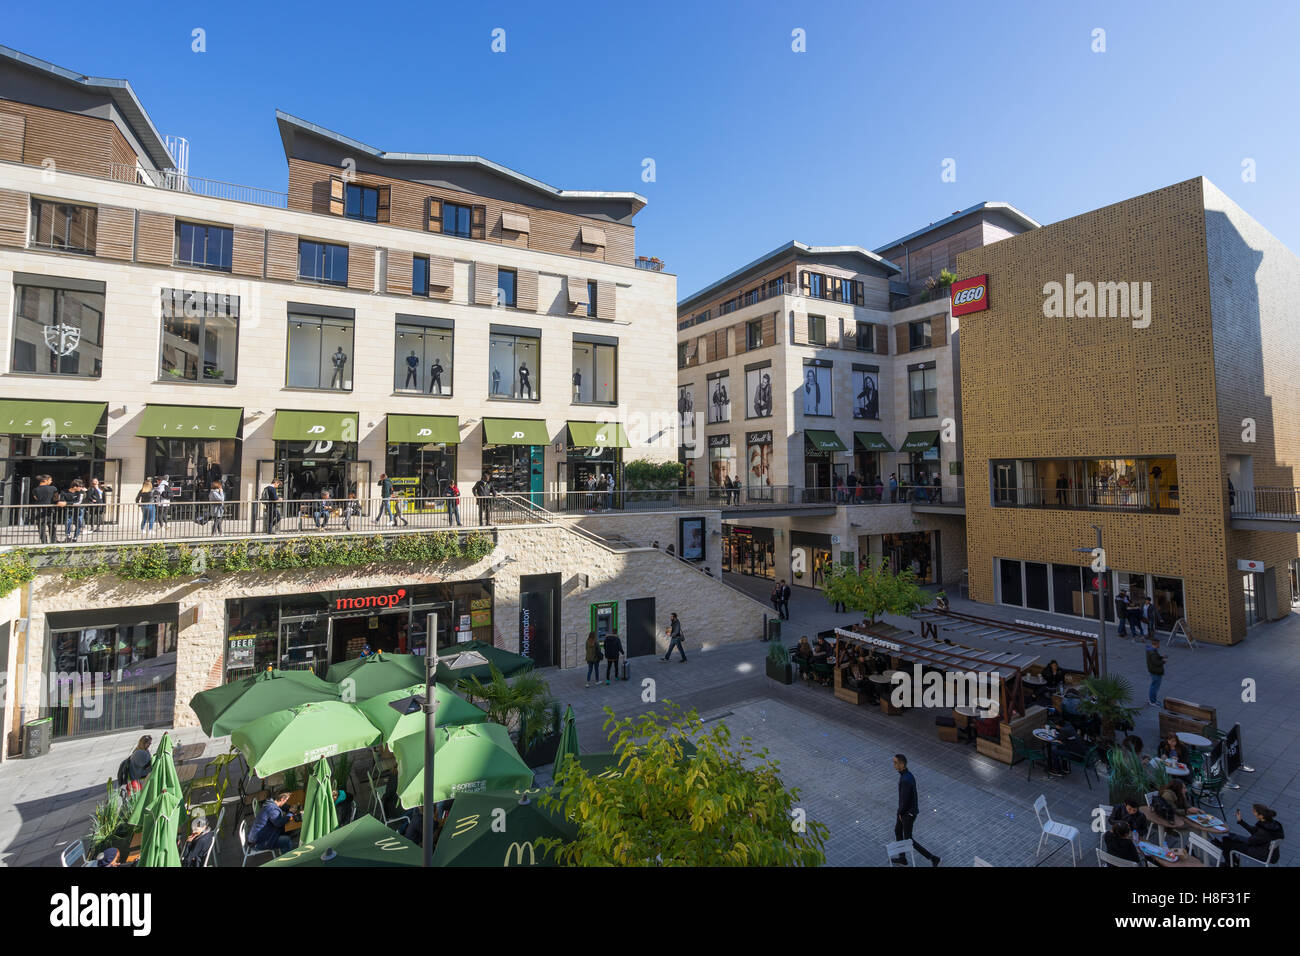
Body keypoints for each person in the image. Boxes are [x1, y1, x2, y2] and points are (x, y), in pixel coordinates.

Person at [892, 754, 939, 866]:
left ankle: (933, 858)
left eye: (895, 762)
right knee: (898, 831)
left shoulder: (905, 780)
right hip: (906, 812)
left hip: (907, 814)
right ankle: (902, 858)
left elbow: (905, 799)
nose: (893, 765)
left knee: (908, 839)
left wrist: (900, 813)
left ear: (902, 764)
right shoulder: (907, 775)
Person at [1217, 804, 1284, 867]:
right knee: (1228, 840)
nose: (1253, 813)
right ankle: (1233, 861)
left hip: (1261, 853)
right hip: (1269, 852)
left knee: (1227, 842)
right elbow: (1254, 832)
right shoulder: (1272, 824)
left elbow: (1250, 841)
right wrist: (1241, 821)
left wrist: (1234, 836)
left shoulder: (1264, 831)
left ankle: (1231, 864)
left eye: (1255, 812)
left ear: (1261, 816)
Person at [1145, 636, 1166, 707]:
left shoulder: (1151, 650)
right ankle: (1152, 701)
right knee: (1155, 686)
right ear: (1156, 644)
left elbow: (1155, 658)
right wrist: (1163, 661)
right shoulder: (1153, 653)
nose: (1159, 645)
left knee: (1154, 685)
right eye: (1159, 644)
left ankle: (1152, 700)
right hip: (1155, 671)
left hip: (1153, 670)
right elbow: (1156, 662)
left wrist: (1161, 657)